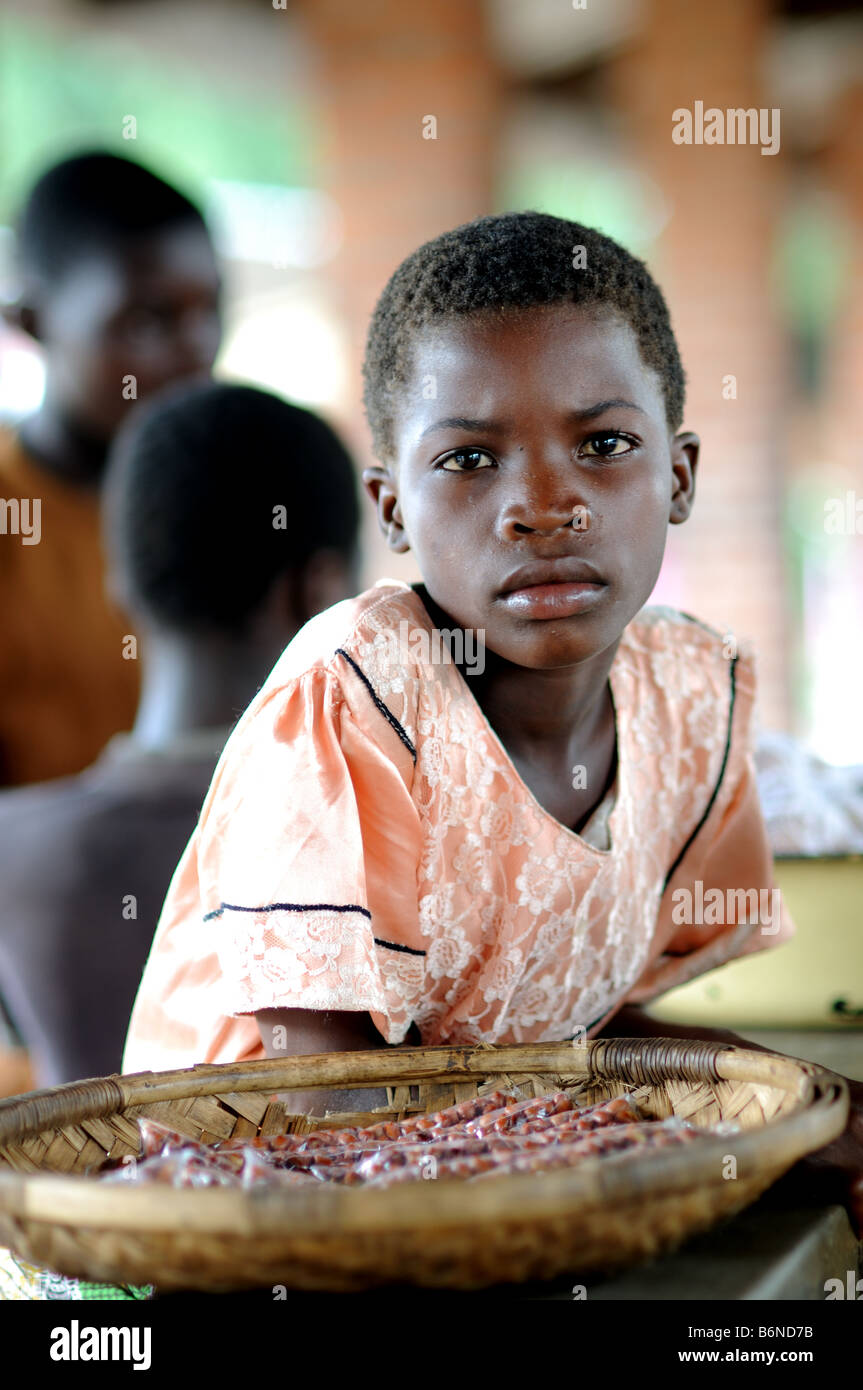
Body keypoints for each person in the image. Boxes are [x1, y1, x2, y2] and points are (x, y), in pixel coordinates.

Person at [121, 212, 862, 1230]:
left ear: (678, 475)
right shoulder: (355, 702)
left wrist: (797, 1106)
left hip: (493, 1201)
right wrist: (681, 1148)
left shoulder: (685, 699)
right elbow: (329, 1103)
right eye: (469, 461)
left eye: (602, 444)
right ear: (390, 509)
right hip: (252, 1232)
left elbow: (581, 1030)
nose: (542, 505)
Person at [0, 381, 360, 1088]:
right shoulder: (368, 837)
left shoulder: (16, 847)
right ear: (319, 591)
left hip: (70, 1199)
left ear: (119, 587)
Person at [0, 151, 222, 787]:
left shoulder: (230, 499)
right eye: (148, 320)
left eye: (210, 310)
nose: (196, 351)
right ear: (33, 320)